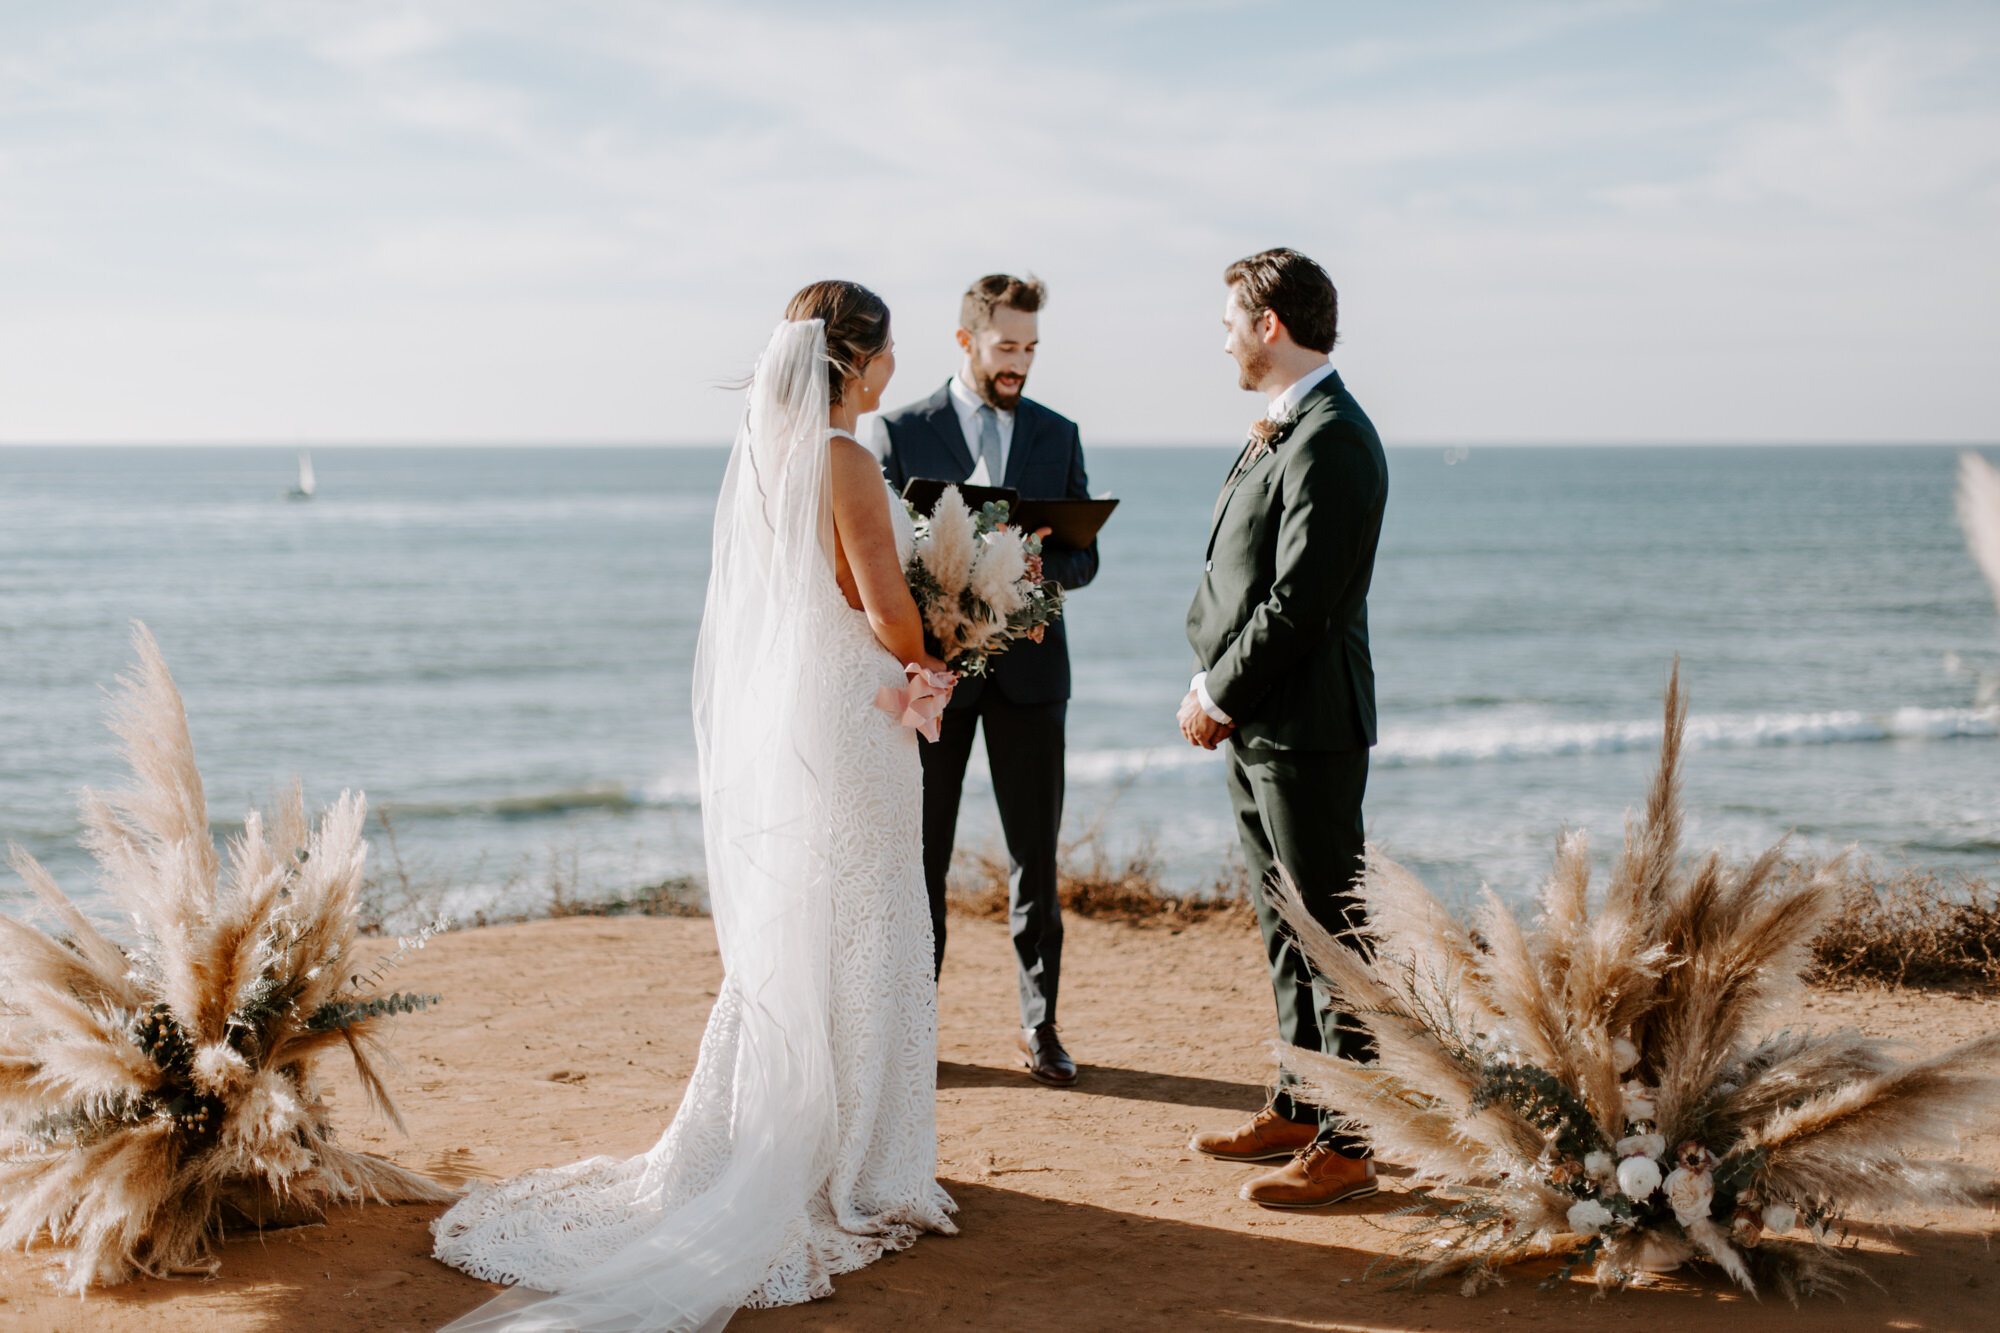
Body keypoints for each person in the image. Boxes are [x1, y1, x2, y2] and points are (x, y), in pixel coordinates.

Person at [431, 281, 958, 1331]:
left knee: (813, 918)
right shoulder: (847, 461)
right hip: (859, 713)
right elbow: (880, 599)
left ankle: (780, 1135)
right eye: (887, 351)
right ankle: (864, 1166)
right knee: (872, 914)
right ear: (856, 363)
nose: (894, 368)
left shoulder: (767, 454)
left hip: (805, 709)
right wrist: (940, 646)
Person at [1181, 248, 1389, 1209]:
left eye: (1230, 317)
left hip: (1305, 723)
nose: (1221, 334)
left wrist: (1217, 690)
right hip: (1261, 716)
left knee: (1333, 930)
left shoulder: (1332, 437)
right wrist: (1216, 677)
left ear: (1270, 323)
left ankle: (1352, 1141)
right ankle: (1300, 1104)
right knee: (1282, 925)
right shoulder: (1286, 425)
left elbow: (1302, 598)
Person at [873, 274, 1099, 1087]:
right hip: (936, 676)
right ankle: (914, 1026)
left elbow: (1085, 555)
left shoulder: (1057, 431)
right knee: (921, 857)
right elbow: (885, 556)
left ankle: (1040, 1028)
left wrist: (1028, 557)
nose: (1020, 363)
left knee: (1034, 858)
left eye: (1031, 349)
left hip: (1034, 680)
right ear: (967, 340)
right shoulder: (900, 431)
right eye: (1007, 347)